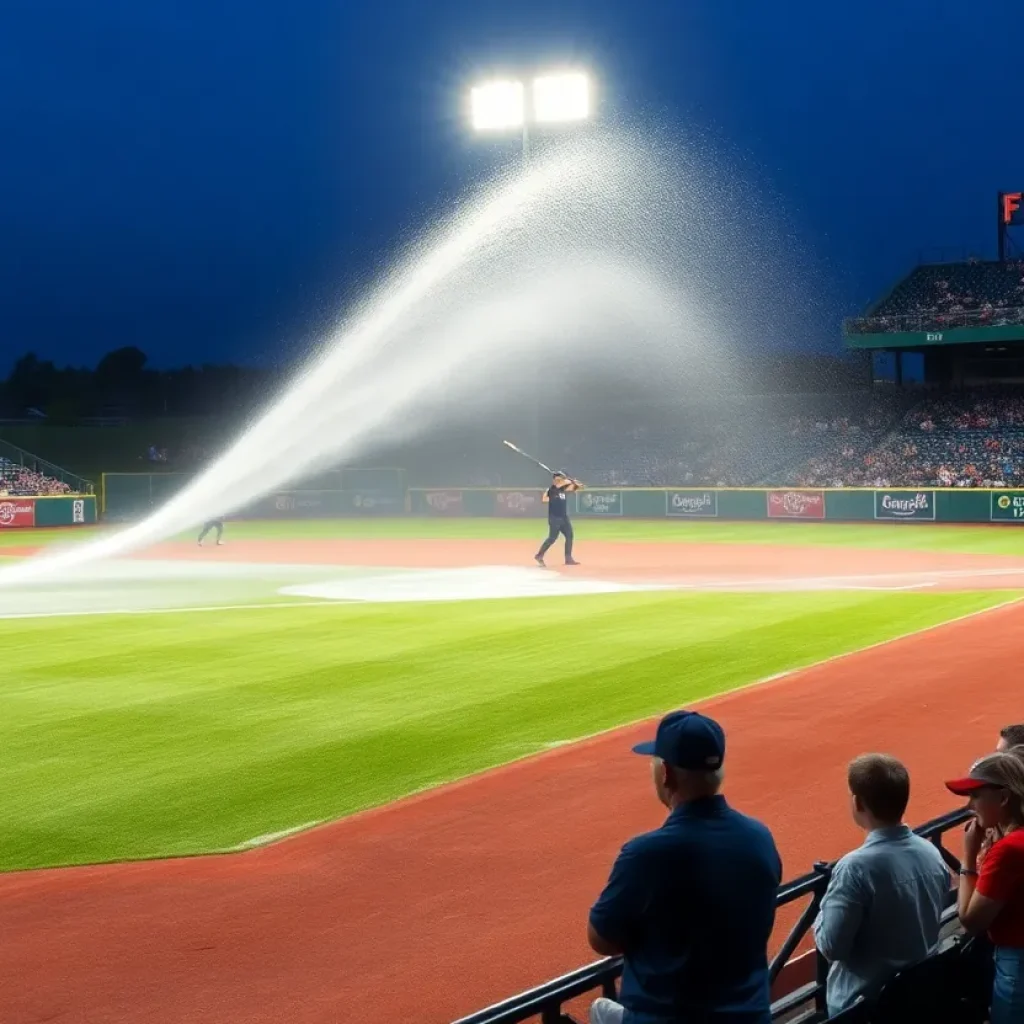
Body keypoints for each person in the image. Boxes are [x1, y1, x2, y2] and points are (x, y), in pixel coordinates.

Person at [587, 710, 782, 1024]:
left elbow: (601, 939)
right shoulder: (759, 836)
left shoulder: (645, 853)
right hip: (751, 1017)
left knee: (598, 1010)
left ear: (666, 773)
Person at [812, 754, 950, 1017]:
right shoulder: (931, 851)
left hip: (864, 1007)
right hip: (919, 996)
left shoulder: (854, 868)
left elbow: (832, 947)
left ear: (858, 802)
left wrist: (822, 911)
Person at [948, 752, 1024, 1024]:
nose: (970, 805)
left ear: (1003, 798)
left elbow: (971, 919)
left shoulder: (1008, 851)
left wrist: (968, 858)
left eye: (977, 795)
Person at [535, 471, 583, 567]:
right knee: (552, 538)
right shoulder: (552, 489)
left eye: (560, 479)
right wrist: (569, 480)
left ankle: (568, 558)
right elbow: (563, 483)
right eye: (557, 479)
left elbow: (576, 488)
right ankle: (539, 555)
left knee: (569, 536)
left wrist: (575, 483)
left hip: (564, 517)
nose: (559, 481)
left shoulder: (562, 490)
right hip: (554, 518)